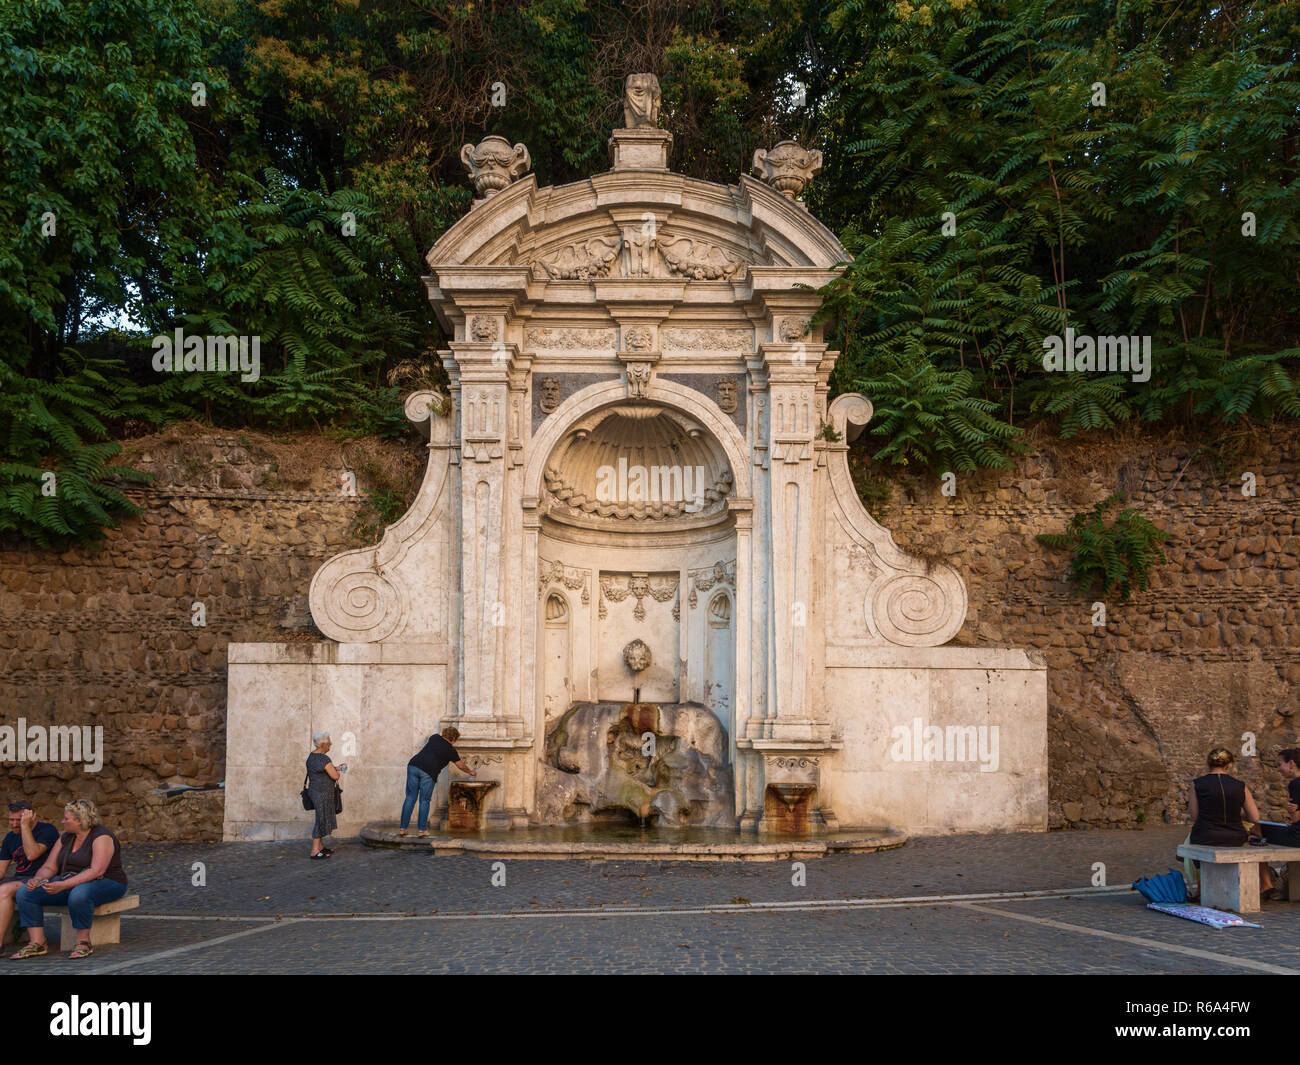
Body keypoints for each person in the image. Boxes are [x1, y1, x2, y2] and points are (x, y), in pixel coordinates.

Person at [10, 799, 128, 959]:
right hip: (69, 881)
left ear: (79, 821)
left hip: (106, 882)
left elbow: (96, 870)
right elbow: (50, 867)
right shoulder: (66, 837)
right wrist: (37, 879)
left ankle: (83, 942)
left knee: (79, 893)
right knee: (25, 892)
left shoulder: (101, 836)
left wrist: (64, 884)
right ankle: (37, 943)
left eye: (66, 818)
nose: (62, 821)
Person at [1186, 746, 1275, 898]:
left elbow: (1194, 816)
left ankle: (1200, 888)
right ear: (1229, 765)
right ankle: (1265, 884)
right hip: (1235, 836)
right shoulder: (1240, 786)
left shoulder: (1197, 784)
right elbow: (1254, 817)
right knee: (1254, 840)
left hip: (1206, 835)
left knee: (1189, 841)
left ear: (1208, 764)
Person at [399, 726, 476, 837]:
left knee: (410, 797)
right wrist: (470, 772)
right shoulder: (450, 750)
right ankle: (422, 831)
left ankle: (402, 829)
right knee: (424, 800)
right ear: (453, 738)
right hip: (428, 772)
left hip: (413, 765)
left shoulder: (434, 737)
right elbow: (460, 765)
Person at [0, 802, 60, 945]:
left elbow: (32, 854)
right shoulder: (10, 837)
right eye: (11, 820)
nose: (14, 824)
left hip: (41, 879)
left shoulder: (47, 831)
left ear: (31, 817)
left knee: (4, 891)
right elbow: (1, 870)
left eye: (18, 820)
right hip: (19, 878)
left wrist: (25, 827)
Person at [306, 732, 346, 859]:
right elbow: (334, 776)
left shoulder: (312, 756)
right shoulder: (324, 759)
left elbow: (322, 769)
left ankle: (320, 847)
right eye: (329, 743)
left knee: (321, 818)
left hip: (315, 792)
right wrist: (337, 772)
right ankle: (314, 850)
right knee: (321, 820)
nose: (330, 745)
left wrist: (336, 767)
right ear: (323, 744)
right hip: (322, 794)